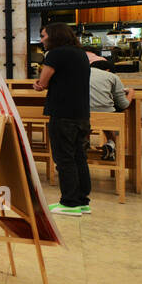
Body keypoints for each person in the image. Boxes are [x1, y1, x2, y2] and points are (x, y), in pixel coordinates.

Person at [34, 23, 91, 216]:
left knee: (64, 158)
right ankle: (83, 201)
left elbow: (42, 82)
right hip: (81, 114)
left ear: (54, 36)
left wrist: (39, 85)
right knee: (79, 157)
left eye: (43, 36)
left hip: (62, 113)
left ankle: (69, 203)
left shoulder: (55, 54)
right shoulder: (81, 53)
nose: (41, 40)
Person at [88, 55, 132, 162]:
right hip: (106, 115)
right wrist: (131, 92)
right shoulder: (112, 76)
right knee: (108, 113)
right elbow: (124, 104)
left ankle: (84, 143)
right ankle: (111, 144)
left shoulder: (79, 73)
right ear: (108, 70)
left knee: (92, 119)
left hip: (81, 114)